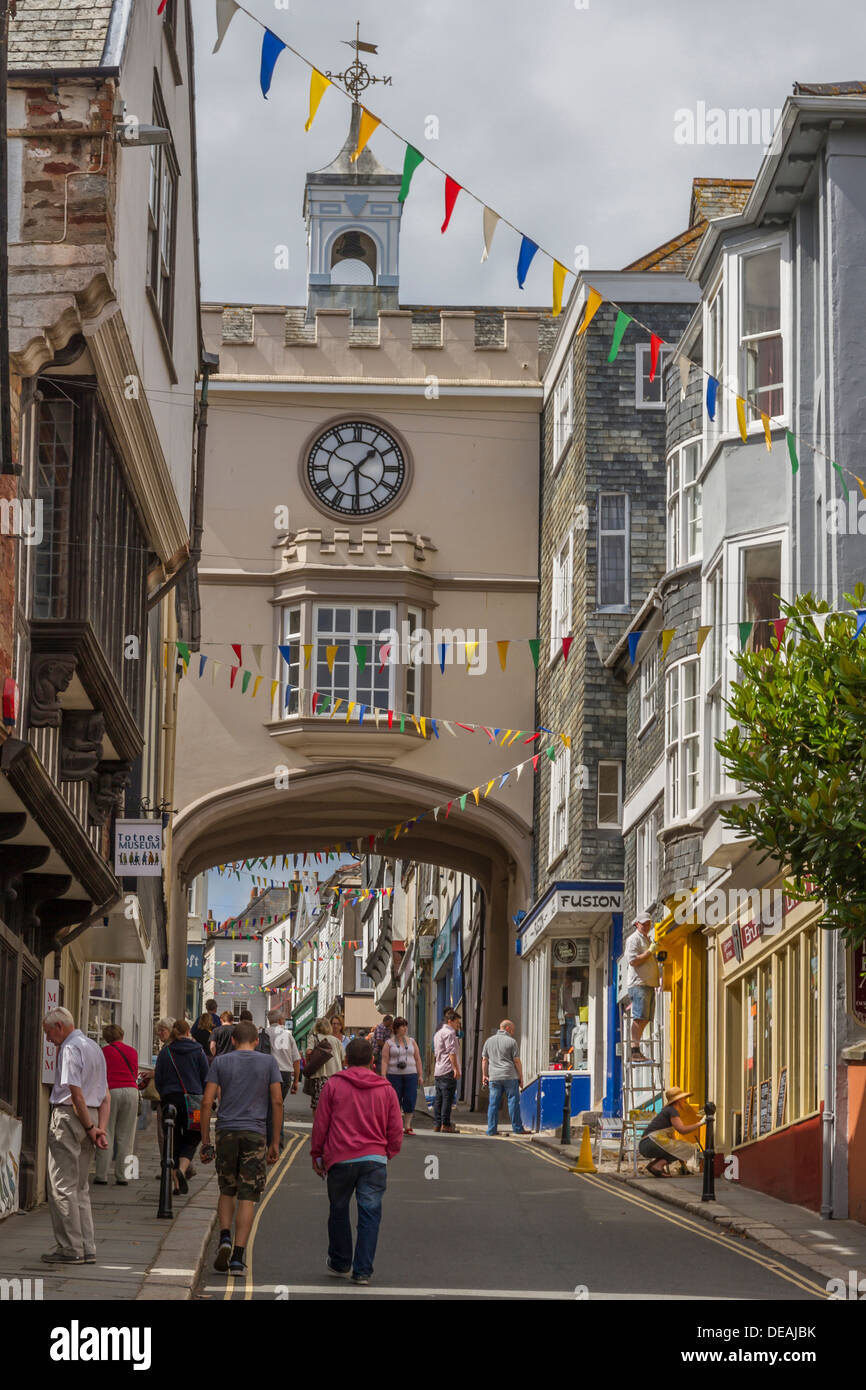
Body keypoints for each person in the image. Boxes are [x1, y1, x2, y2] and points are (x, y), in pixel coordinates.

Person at [310, 1036, 403, 1285]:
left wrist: (317, 1154)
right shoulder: (386, 1089)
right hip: (374, 1159)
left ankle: (340, 1261)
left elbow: (321, 1123)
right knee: (370, 1215)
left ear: (345, 1060)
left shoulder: (333, 1085)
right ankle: (362, 1270)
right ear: (373, 1061)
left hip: (340, 1159)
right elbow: (396, 1129)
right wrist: (389, 1152)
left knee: (338, 1210)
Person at [199, 1020, 282, 1276]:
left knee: (227, 1188)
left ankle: (224, 1236)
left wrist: (205, 1141)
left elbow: (206, 1101)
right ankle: (237, 1257)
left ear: (233, 1040)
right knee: (248, 1195)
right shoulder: (268, 1063)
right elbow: (277, 1101)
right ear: (256, 1041)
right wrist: (275, 1141)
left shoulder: (221, 1062)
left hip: (226, 1131)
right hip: (255, 1133)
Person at [41, 1006, 109, 1265]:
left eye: (48, 1033)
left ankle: (70, 1249)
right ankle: (87, 1247)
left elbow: (74, 1091)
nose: (48, 1039)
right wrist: (97, 1127)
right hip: (89, 1115)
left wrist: (91, 1127)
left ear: (60, 1026)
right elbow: (105, 1095)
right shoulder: (95, 1047)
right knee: (80, 1187)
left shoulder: (70, 1048)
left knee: (62, 1186)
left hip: (71, 1117)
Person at [154, 1019, 209, 1196]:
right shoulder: (199, 1050)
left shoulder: (166, 1052)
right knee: (195, 1135)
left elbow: (159, 1080)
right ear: (188, 1032)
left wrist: (165, 1095)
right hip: (194, 1101)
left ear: (173, 1033)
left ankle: (176, 1184)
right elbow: (205, 1077)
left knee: (173, 1138)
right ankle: (182, 1169)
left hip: (171, 1100)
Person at [94, 1024, 139, 1187]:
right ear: (121, 1034)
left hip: (111, 1091)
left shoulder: (103, 1052)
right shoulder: (132, 1051)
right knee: (127, 1136)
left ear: (106, 1037)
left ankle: (101, 1175)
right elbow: (134, 1073)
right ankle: (124, 1175)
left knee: (106, 1132)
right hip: (131, 1091)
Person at [638, 1086, 705, 1177]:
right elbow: (682, 1130)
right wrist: (700, 1123)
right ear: (678, 1100)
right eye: (683, 1098)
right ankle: (657, 1165)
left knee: (681, 1147)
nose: (685, 1101)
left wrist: (683, 1165)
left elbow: (675, 1144)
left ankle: (655, 1165)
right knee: (690, 1147)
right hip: (651, 1143)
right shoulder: (672, 1111)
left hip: (645, 1145)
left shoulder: (667, 1111)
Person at [625, 912, 660, 1062]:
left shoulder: (648, 939)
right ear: (637, 924)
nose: (647, 926)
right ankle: (635, 1051)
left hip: (649, 983)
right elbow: (633, 960)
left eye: (648, 923)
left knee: (645, 1018)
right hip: (639, 983)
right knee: (640, 1017)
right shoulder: (633, 939)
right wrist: (650, 952)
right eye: (644, 923)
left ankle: (636, 1050)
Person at [481, 1020, 526, 1136]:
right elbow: (516, 1061)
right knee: (513, 1102)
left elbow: (484, 1060)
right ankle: (517, 1128)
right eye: (512, 1030)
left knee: (493, 1104)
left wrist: (484, 1075)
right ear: (507, 1028)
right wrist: (521, 1077)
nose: (513, 1032)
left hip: (494, 1077)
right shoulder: (512, 1042)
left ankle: (491, 1130)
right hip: (509, 1076)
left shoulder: (489, 1041)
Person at [381, 1017, 423, 1135]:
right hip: (394, 1075)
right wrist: (383, 1075)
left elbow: (418, 1059)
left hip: (411, 1075)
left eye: (406, 1025)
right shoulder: (389, 1043)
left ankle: (408, 1126)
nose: (405, 1028)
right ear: (396, 1028)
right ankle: (397, 1125)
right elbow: (384, 1060)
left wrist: (420, 1075)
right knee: (395, 1100)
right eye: (402, 1026)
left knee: (410, 1099)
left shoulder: (412, 1041)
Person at [306, 1017, 345, 1112]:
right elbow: (343, 1059)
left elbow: (308, 1053)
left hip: (319, 1076)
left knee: (317, 1105)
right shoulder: (336, 1041)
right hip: (336, 1077)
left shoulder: (314, 1038)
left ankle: (318, 1125)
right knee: (333, 1105)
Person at [432, 1008, 461, 1133]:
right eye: (457, 1022)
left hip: (438, 1069)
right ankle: (446, 1124)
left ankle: (437, 1124)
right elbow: (451, 1053)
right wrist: (456, 1069)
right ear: (450, 1021)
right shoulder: (450, 1034)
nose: (458, 1025)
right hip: (448, 1069)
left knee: (438, 1099)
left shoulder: (438, 1033)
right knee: (447, 1099)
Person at [267, 1009, 301, 1099]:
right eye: (284, 1019)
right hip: (285, 1074)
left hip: (267, 1073)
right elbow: (296, 1060)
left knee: (268, 1104)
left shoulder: (263, 1033)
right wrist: (296, 1082)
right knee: (278, 1102)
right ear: (280, 1020)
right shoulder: (288, 1036)